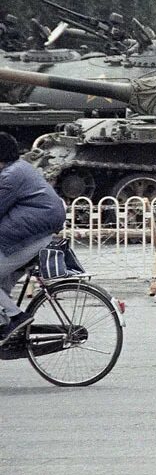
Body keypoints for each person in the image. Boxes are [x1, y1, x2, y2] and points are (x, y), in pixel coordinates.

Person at [0, 132, 66, 346]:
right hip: (35, 232)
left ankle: (16, 318)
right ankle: (6, 326)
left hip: (30, 236)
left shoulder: (10, 176)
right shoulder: (18, 168)